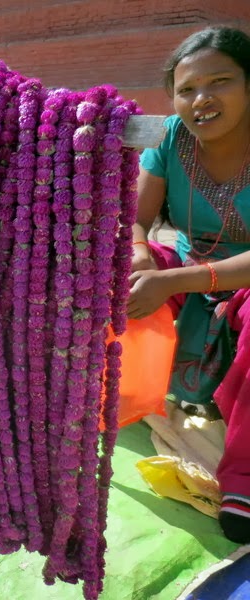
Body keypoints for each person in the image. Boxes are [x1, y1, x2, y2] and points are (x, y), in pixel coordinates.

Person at [129, 26, 250, 544]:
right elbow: (133, 219)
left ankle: (243, 479)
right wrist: (138, 258)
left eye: (219, 82)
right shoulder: (171, 140)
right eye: (187, 89)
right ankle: (108, 398)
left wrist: (175, 278)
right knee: (99, 272)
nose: (201, 99)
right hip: (187, 263)